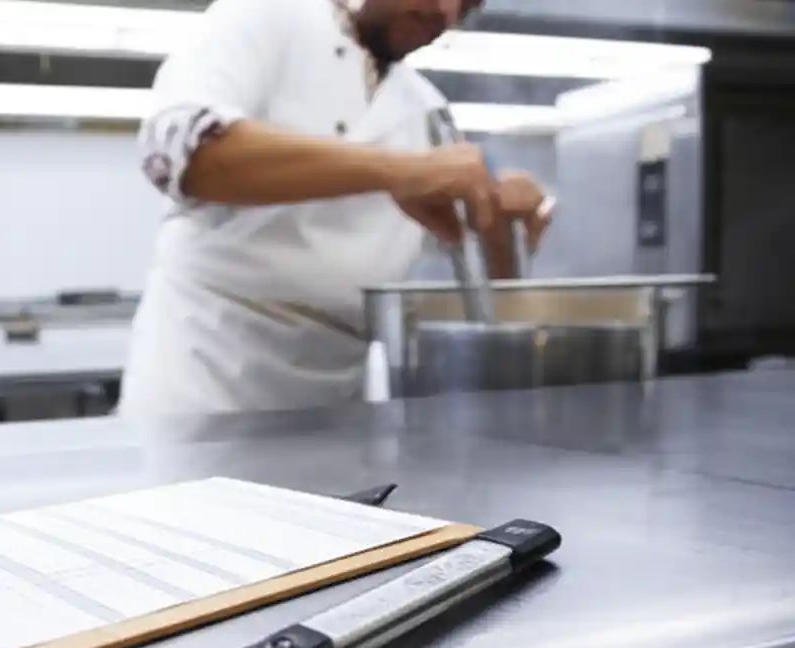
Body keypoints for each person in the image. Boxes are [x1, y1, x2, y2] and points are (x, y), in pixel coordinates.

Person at [120, 0, 554, 417]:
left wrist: (500, 229)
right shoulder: (270, 15)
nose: (445, 9)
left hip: (334, 408)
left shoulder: (428, 113)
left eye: (466, 2)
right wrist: (398, 171)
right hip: (203, 384)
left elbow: (475, 297)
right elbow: (182, 155)